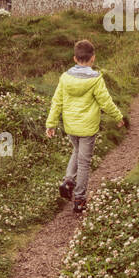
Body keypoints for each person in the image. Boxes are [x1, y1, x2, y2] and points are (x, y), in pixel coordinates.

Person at [45, 38, 128, 213]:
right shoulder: (96, 79)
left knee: (76, 151)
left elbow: (57, 101)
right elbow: (105, 102)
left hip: (70, 126)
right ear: (93, 59)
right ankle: (80, 199)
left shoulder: (65, 77)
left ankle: (68, 182)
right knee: (84, 162)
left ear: (75, 58)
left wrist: (51, 124)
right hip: (88, 128)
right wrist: (118, 117)